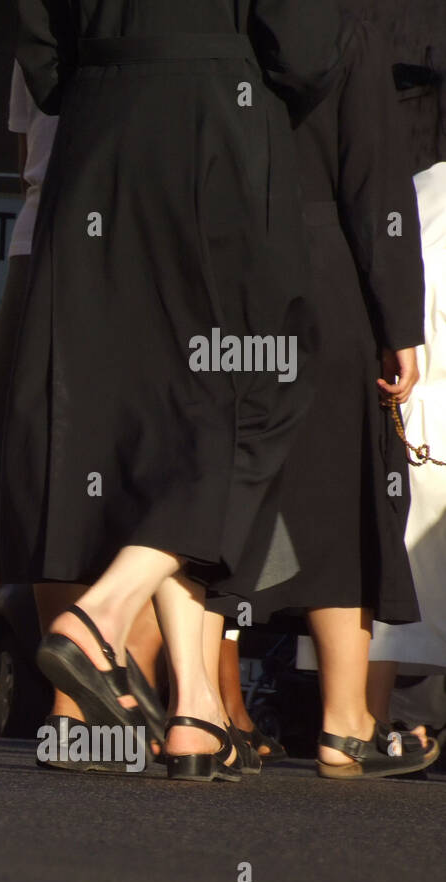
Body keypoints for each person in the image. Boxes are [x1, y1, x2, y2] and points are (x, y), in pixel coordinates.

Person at [0, 0, 345, 781]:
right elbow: (307, 49)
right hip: (218, 120)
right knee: (258, 385)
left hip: (97, 134)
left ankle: (194, 707)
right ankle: (107, 610)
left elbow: (42, 57)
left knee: (161, 412)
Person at [223, 15, 438, 779]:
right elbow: (374, 184)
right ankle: (346, 726)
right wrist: (400, 325)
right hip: (331, 280)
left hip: (227, 277)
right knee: (343, 493)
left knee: (220, 494)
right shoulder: (354, 33)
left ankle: (206, 710)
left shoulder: (222, 28)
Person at [0, 60, 167, 770]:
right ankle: (104, 691)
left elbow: (23, 142)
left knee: (51, 470)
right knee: (150, 472)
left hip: (44, 237)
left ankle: (73, 706)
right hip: (140, 238)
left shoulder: (43, 19)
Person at [369, 160, 446, 736]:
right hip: (427, 421)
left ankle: (369, 724)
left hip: (399, 411)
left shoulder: (413, 188)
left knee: (388, 595)